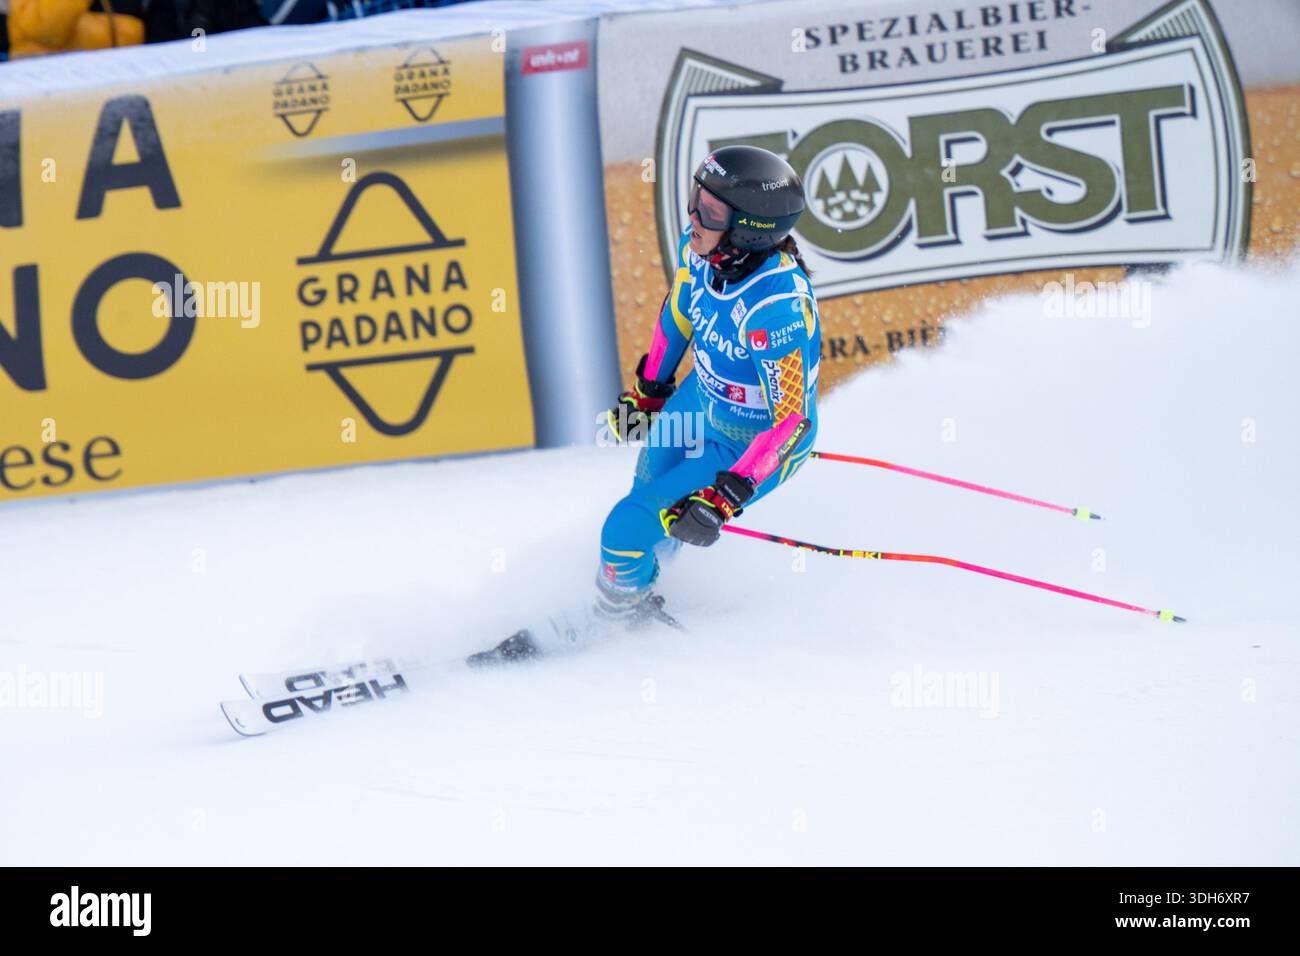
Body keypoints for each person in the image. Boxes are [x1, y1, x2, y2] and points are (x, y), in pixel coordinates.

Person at [470, 145, 820, 665]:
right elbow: (681, 312)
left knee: (625, 526)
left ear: (748, 230)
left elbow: (792, 421)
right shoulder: (701, 253)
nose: (694, 218)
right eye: (696, 201)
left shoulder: (776, 307)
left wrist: (727, 495)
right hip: (702, 398)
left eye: (712, 212)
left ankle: (617, 617)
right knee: (648, 493)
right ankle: (640, 584)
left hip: (752, 442)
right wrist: (649, 391)